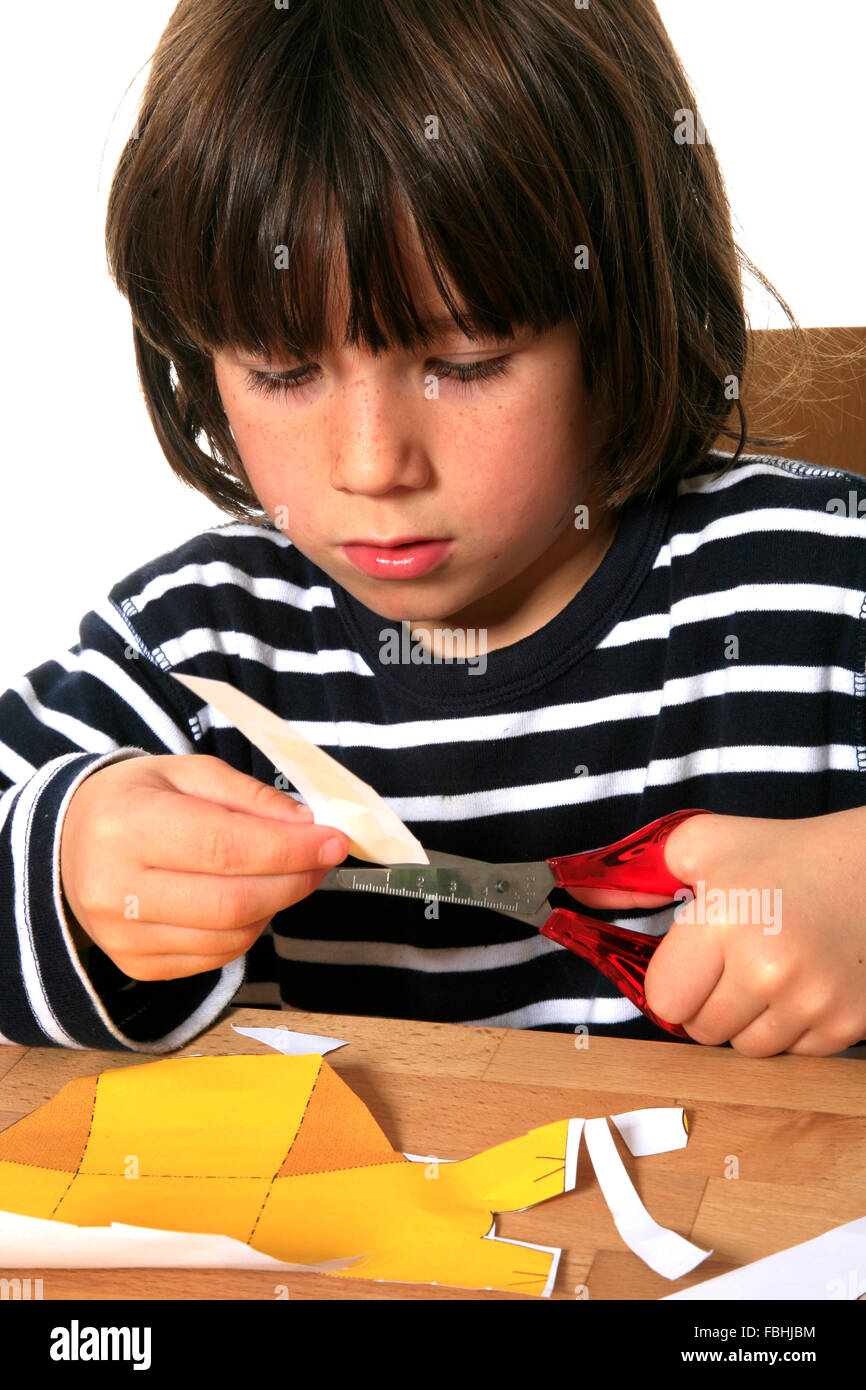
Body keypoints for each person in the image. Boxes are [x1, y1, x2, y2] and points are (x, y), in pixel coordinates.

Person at [2, 0, 864, 1057]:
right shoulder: (194, 651)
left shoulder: (820, 590)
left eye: (464, 364)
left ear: (617, 305)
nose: (372, 464)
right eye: (281, 373)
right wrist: (71, 863)